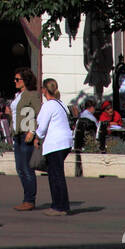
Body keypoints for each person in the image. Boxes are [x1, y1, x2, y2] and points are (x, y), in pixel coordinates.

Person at [33, 78, 72, 216]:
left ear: (44, 90)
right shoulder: (60, 103)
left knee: (55, 175)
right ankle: (62, 205)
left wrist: (36, 137)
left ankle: (59, 206)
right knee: (57, 174)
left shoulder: (48, 105)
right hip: (65, 142)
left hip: (55, 143)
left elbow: (42, 127)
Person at [11, 68, 43, 210]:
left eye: (18, 79)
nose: (15, 81)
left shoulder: (32, 95)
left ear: (25, 81)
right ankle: (26, 198)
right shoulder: (19, 95)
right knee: (20, 168)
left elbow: (40, 114)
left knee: (26, 168)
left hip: (26, 135)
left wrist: (32, 131)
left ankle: (29, 200)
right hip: (17, 134)